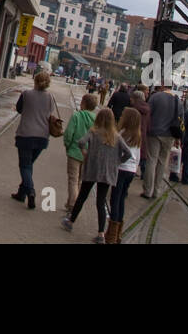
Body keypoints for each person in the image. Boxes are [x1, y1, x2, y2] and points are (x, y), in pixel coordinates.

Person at [60, 107, 125, 243]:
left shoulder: (94, 132)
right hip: (107, 173)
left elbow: (81, 142)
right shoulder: (116, 136)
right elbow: (128, 153)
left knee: (82, 196)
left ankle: (70, 222)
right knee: (100, 202)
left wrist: (85, 153)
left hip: (92, 169)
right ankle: (101, 233)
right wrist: (117, 162)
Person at [10, 71, 60, 210]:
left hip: (26, 135)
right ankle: (21, 193)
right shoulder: (51, 98)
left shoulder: (26, 94)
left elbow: (19, 109)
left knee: (25, 166)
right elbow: (50, 113)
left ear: (35, 81)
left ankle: (30, 191)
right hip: (42, 137)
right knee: (29, 165)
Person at [106, 107, 143, 243]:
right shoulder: (137, 136)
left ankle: (111, 234)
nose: (120, 117)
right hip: (131, 171)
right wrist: (134, 168)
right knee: (121, 199)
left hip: (121, 169)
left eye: (122, 116)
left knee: (114, 199)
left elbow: (117, 153)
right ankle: (118, 233)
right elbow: (137, 156)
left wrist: (115, 163)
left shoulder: (122, 134)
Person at [63, 93, 99, 209]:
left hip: (74, 151)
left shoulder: (76, 116)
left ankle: (73, 204)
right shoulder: (96, 120)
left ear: (83, 103)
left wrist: (67, 145)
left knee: (73, 179)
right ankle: (70, 202)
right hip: (88, 154)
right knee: (78, 180)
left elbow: (69, 134)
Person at [144, 85, 179, 197]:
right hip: (169, 135)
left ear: (163, 85)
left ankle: (147, 191)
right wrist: (178, 138)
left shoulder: (156, 97)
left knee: (151, 160)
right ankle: (157, 191)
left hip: (154, 133)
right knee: (162, 162)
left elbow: (148, 113)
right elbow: (180, 120)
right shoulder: (177, 100)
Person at [130, 90, 152, 194]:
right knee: (141, 156)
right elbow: (148, 124)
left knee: (130, 156)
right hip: (142, 135)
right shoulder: (147, 109)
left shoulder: (133, 109)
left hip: (132, 134)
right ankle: (144, 173)